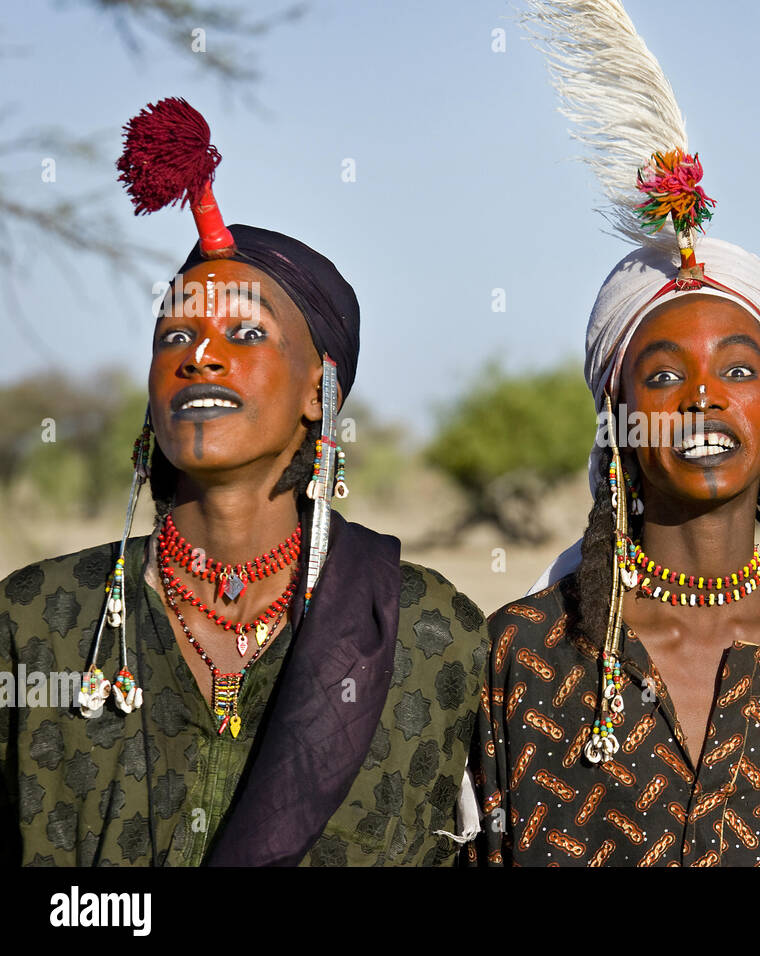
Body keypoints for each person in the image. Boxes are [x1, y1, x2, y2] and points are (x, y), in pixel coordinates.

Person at [465, 0, 760, 868]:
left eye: (737, 369)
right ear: (618, 418)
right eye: (661, 375)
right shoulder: (527, 652)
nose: (701, 399)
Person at [0, 98, 487, 866]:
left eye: (248, 333)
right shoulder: (34, 626)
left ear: (318, 391)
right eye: (176, 334)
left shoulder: (428, 632)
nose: (200, 355)